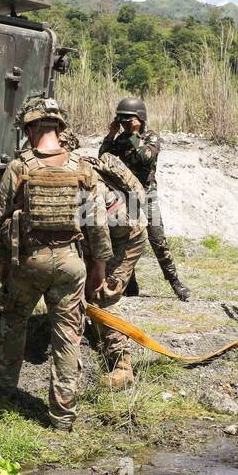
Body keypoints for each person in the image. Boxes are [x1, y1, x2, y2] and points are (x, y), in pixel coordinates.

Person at [0, 96, 111, 430]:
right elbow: (96, 222)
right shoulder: (83, 169)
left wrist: (1, 262)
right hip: (71, 262)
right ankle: (62, 418)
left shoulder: (19, 168)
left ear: (29, 128)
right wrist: (99, 265)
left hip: (29, 261)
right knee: (67, 336)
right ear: (59, 127)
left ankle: (1, 397)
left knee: (13, 324)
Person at [98, 95, 191, 301]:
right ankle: (129, 282)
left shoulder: (151, 137)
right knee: (124, 240)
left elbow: (145, 158)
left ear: (140, 118)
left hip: (146, 196)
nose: (125, 123)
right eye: (122, 120)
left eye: (129, 119)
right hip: (124, 196)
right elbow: (103, 157)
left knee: (157, 239)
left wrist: (134, 134)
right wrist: (111, 134)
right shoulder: (121, 139)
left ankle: (175, 282)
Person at [85, 151, 148, 388]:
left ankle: (122, 365)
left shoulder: (85, 181)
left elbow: (99, 227)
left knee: (101, 294)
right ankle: (91, 332)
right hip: (103, 234)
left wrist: (99, 271)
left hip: (127, 237)